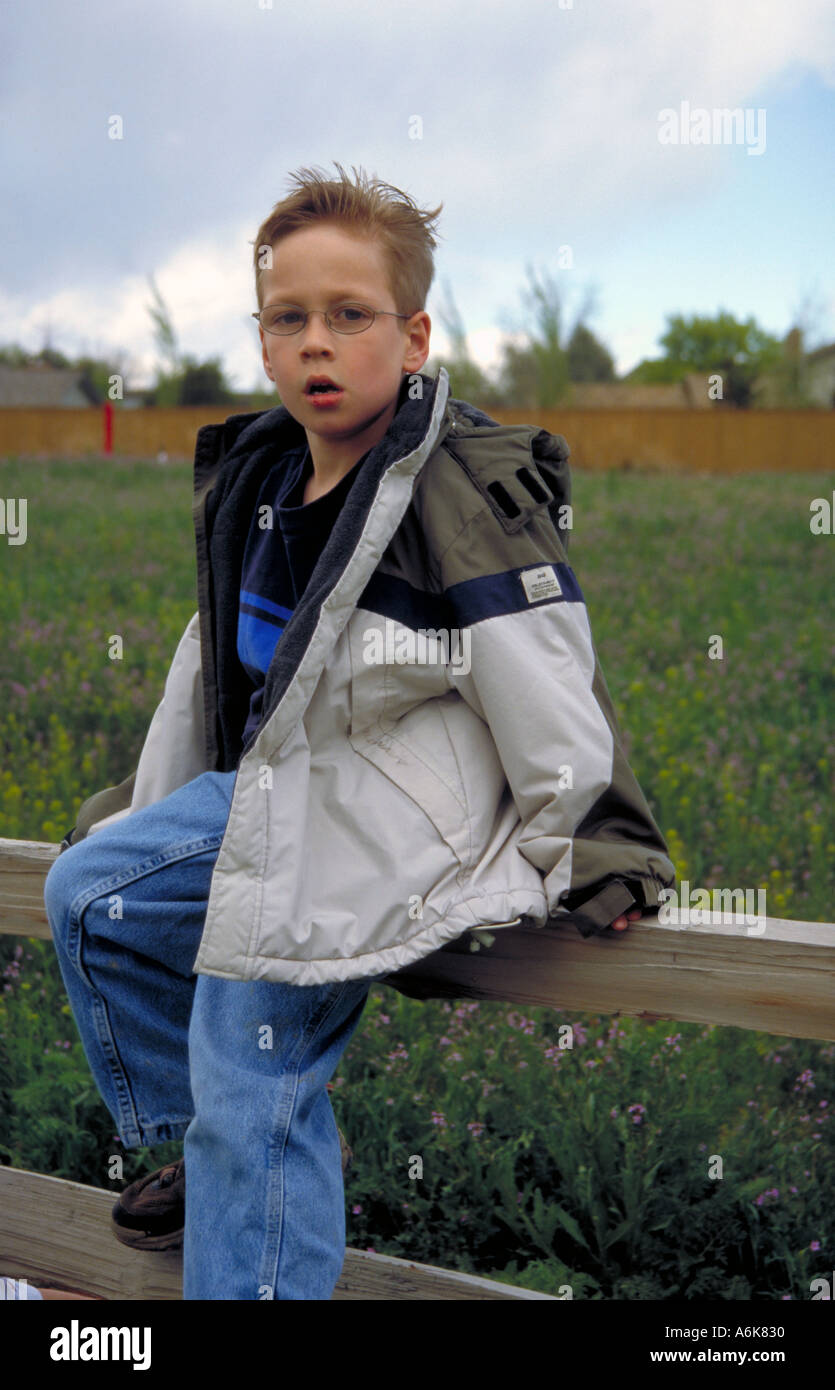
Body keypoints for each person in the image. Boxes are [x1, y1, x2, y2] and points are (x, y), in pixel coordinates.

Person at [43, 163, 673, 1301]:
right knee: (89, 892)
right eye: (289, 317)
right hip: (273, 794)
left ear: (415, 335)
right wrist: (151, 812)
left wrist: (599, 840)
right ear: (262, 338)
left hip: (379, 816)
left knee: (251, 1067)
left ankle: (247, 1221)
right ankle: (202, 1154)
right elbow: (212, 674)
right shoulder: (263, 477)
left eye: (349, 315)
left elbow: (542, 667)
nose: (316, 343)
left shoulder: (454, 487)